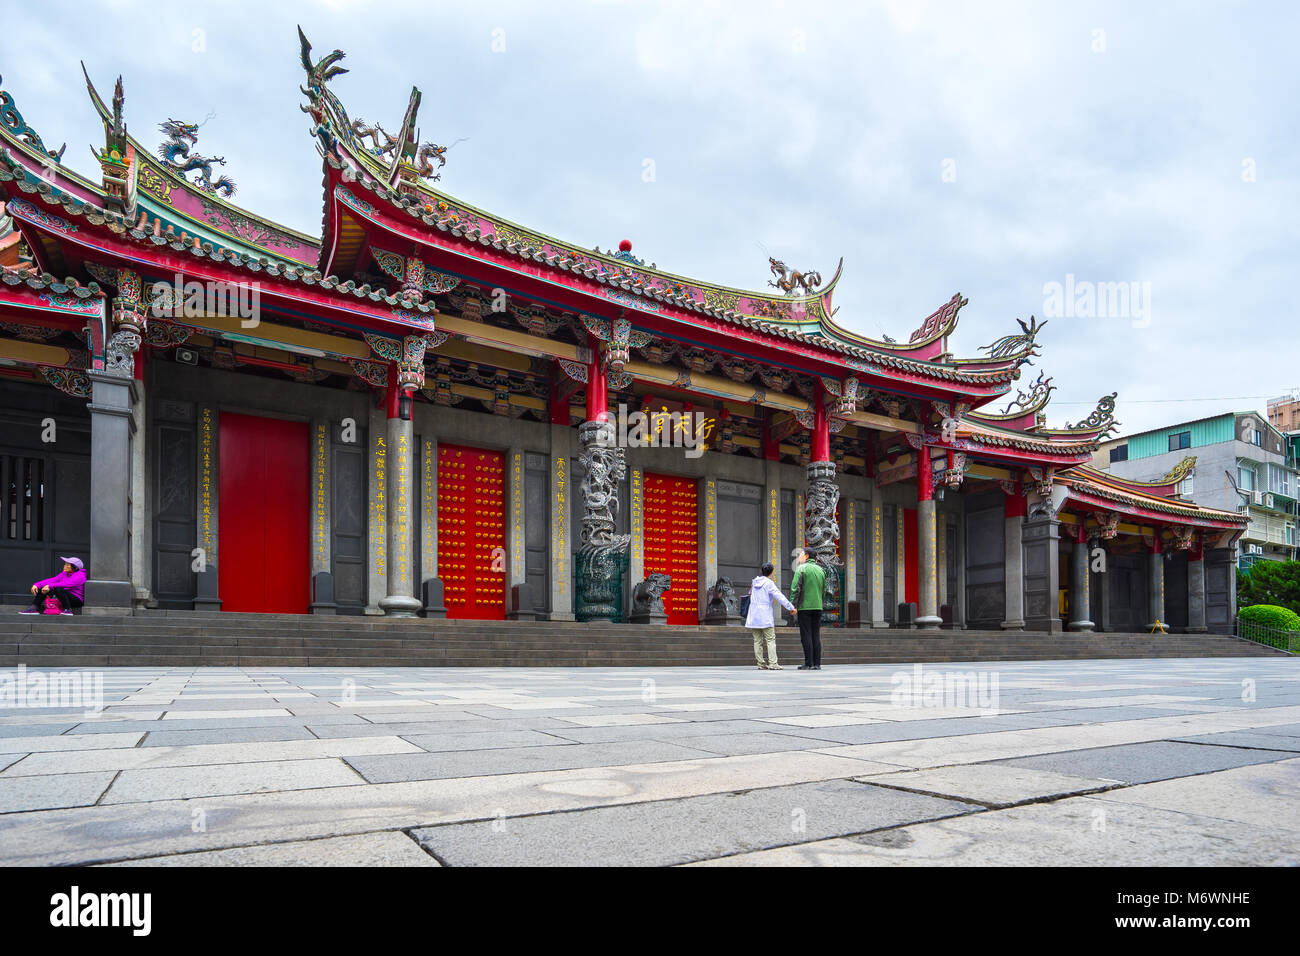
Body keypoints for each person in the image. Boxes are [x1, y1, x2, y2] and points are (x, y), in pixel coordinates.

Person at [744, 562, 795, 670]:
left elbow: (750, 595)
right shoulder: (769, 583)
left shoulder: (754, 582)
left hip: (754, 614)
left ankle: (761, 664)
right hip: (765, 614)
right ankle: (773, 663)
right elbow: (779, 596)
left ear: (761, 571)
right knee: (770, 639)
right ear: (771, 572)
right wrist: (791, 607)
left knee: (757, 641)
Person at [791, 548, 827, 669]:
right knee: (816, 635)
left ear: (806, 556)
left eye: (801, 554)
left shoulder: (801, 568)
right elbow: (824, 590)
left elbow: (795, 588)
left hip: (804, 607)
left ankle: (808, 663)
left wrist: (793, 605)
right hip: (818, 606)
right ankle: (817, 664)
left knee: (806, 635)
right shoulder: (821, 570)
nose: (799, 556)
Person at [21, 557, 87, 616]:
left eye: (67, 565)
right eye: (65, 564)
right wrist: (37, 585)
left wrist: (49, 586)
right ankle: (34, 608)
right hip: (63, 597)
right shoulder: (65, 573)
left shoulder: (80, 575)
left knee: (58, 589)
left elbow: (67, 584)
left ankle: (68, 610)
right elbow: (53, 580)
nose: (64, 566)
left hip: (76, 601)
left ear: (75, 567)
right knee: (43, 588)